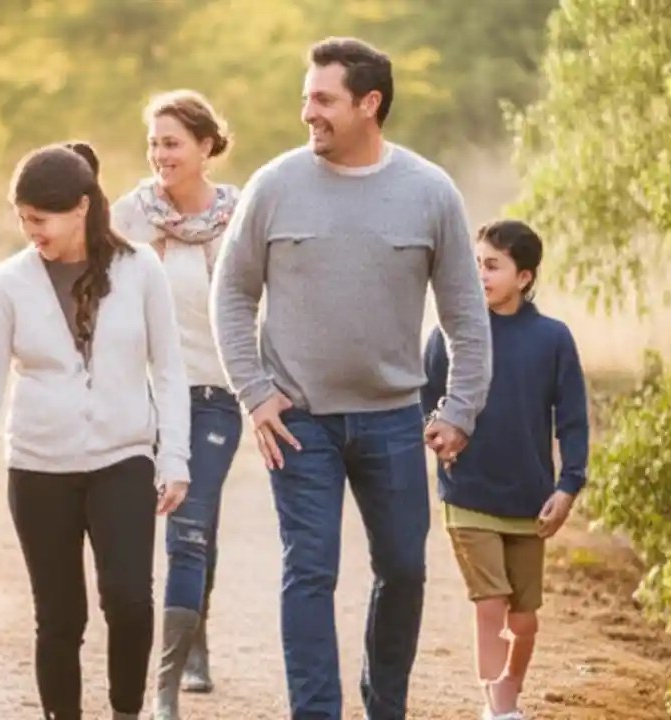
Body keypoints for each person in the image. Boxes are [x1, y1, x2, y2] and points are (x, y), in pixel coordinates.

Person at [210, 37, 492, 719]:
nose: (307, 112)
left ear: (370, 104)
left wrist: (460, 408)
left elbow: (465, 314)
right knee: (309, 571)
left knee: (404, 569)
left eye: (323, 99)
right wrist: (254, 392)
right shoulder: (275, 186)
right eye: (306, 97)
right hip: (298, 421)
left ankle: (384, 705)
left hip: (394, 419)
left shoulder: (430, 192)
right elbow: (232, 294)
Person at [0, 141, 191, 720]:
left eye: (40, 219)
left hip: (123, 460)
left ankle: (126, 712)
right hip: (39, 469)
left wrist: (175, 457)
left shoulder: (140, 269)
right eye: (22, 219)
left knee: (130, 600)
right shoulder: (8, 283)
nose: (30, 230)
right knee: (60, 617)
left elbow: (169, 369)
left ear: (82, 207)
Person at [421, 220, 589, 720]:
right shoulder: (449, 335)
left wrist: (569, 485)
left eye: (492, 265)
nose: (480, 275)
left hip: (528, 501)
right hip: (467, 493)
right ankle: (498, 708)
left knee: (525, 620)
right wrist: (435, 433)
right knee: (491, 605)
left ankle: (507, 696)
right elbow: (425, 401)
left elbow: (573, 419)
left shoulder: (553, 339)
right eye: (475, 264)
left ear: (525, 276)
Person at [110, 89, 241, 719]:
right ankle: (192, 641)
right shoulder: (129, 217)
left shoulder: (239, 218)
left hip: (215, 394)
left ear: (206, 146)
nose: (160, 155)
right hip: (142, 395)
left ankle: (164, 691)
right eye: (154, 143)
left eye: (173, 143)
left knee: (191, 526)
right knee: (164, 530)